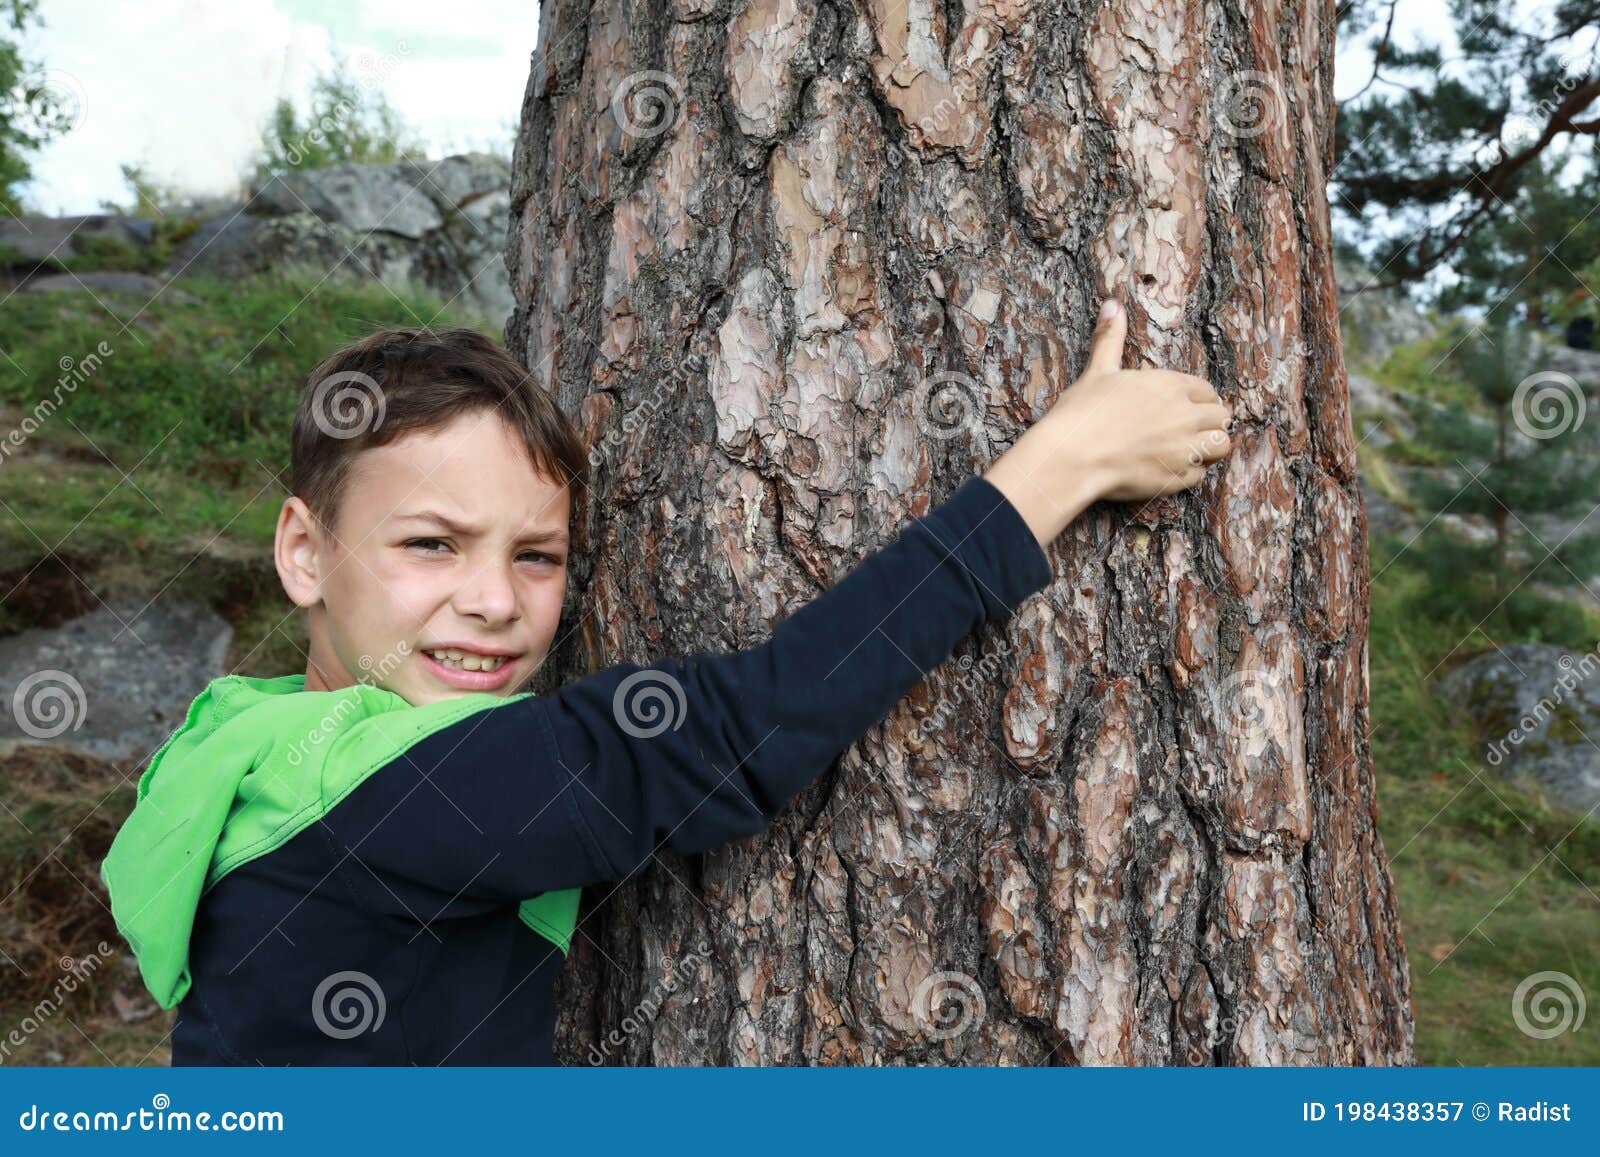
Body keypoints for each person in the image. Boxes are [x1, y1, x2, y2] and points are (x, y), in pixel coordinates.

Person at [100, 296, 1232, 1064]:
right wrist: (1061, 466)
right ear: (304, 550)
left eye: (534, 555)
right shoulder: (382, 781)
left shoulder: (248, 746)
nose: (493, 601)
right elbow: (744, 729)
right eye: (430, 544)